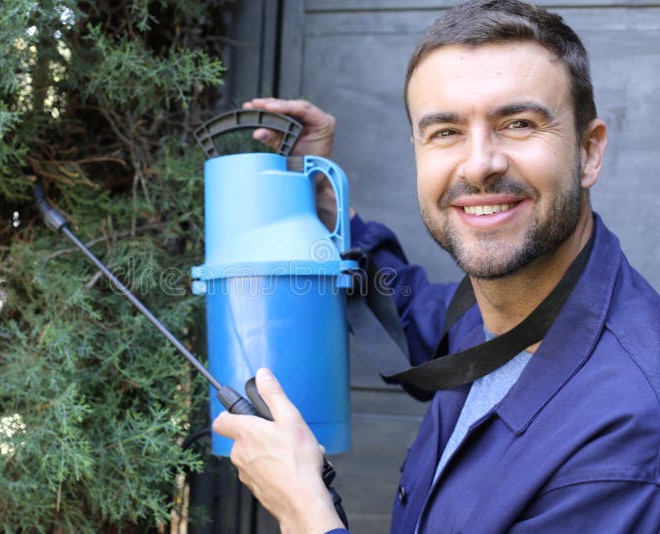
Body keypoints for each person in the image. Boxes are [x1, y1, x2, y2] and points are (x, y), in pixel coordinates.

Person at [212, 0, 660, 532]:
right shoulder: (498, 307)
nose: (478, 164)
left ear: (589, 152)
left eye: (517, 123)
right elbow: (411, 314)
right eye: (445, 131)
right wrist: (327, 203)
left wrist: (305, 510)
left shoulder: (630, 433)